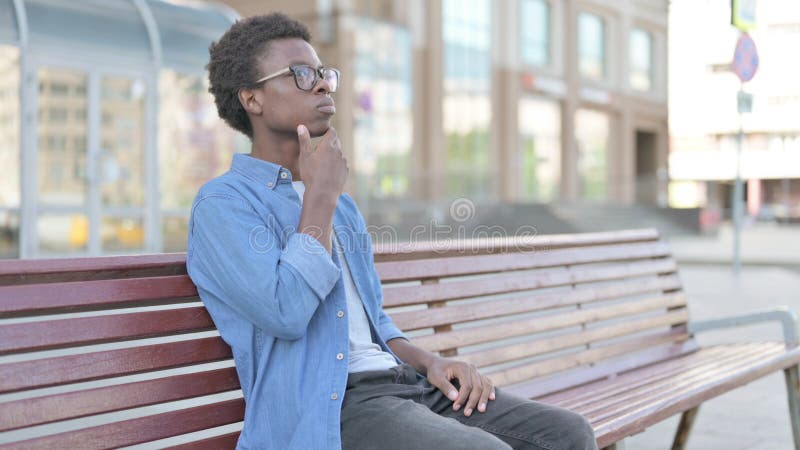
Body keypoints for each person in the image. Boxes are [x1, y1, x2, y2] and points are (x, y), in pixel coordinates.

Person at [188, 12, 598, 450]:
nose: (323, 84)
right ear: (252, 100)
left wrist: (430, 362)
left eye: (324, 73)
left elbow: (373, 320)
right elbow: (285, 313)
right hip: (330, 406)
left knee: (567, 434)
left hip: (403, 384)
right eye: (301, 75)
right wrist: (320, 198)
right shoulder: (225, 205)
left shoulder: (341, 205)